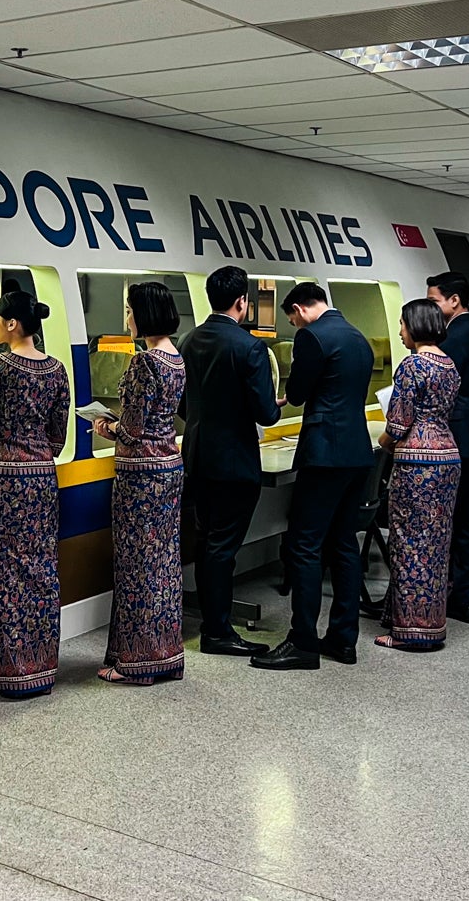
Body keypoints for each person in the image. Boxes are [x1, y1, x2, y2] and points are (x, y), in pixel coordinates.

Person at [252, 282, 375, 671]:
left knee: (303, 546)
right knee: (342, 544)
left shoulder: (312, 337)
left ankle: (302, 641)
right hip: (357, 452)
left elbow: (301, 392)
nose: (293, 324)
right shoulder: (357, 337)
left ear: (300, 309)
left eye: (291, 318)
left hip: (324, 453)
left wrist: (288, 396)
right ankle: (343, 639)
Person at [0, 289, 71, 698]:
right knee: (43, 571)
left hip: (5, 482)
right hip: (42, 478)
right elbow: (58, 435)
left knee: (9, 576)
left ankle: (15, 673)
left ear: (11, 324)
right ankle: (43, 669)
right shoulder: (57, 369)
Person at [178, 266, 282, 656]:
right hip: (235, 460)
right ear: (243, 302)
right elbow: (266, 414)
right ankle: (218, 631)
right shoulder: (249, 346)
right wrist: (272, 406)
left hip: (199, 455)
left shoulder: (189, 341)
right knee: (223, 548)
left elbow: (184, 405)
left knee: (207, 542)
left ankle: (213, 623)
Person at [93, 282, 186, 686]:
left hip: (139, 476)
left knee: (135, 567)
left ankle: (135, 663)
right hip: (169, 468)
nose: (127, 319)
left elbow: (131, 430)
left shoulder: (144, 363)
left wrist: (104, 426)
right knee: (163, 563)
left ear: (144, 314)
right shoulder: (176, 359)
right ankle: (165, 654)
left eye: (130, 311)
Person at [376, 300, 462, 651]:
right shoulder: (448, 363)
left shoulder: (412, 365)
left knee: (409, 543)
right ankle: (431, 624)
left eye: (401, 324)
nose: (399, 331)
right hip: (448, 457)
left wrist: (382, 444)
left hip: (416, 463)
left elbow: (398, 421)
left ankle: (409, 632)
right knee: (436, 545)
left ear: (415, 326)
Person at [426, 271, 469, 626]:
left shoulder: (457, 337)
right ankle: (462, 596)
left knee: (457, 520)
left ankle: (454, 594)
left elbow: (439, 384)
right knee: (467, 518)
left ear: (454, 301)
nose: (433, 310)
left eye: (435, 301)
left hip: (460, 438)